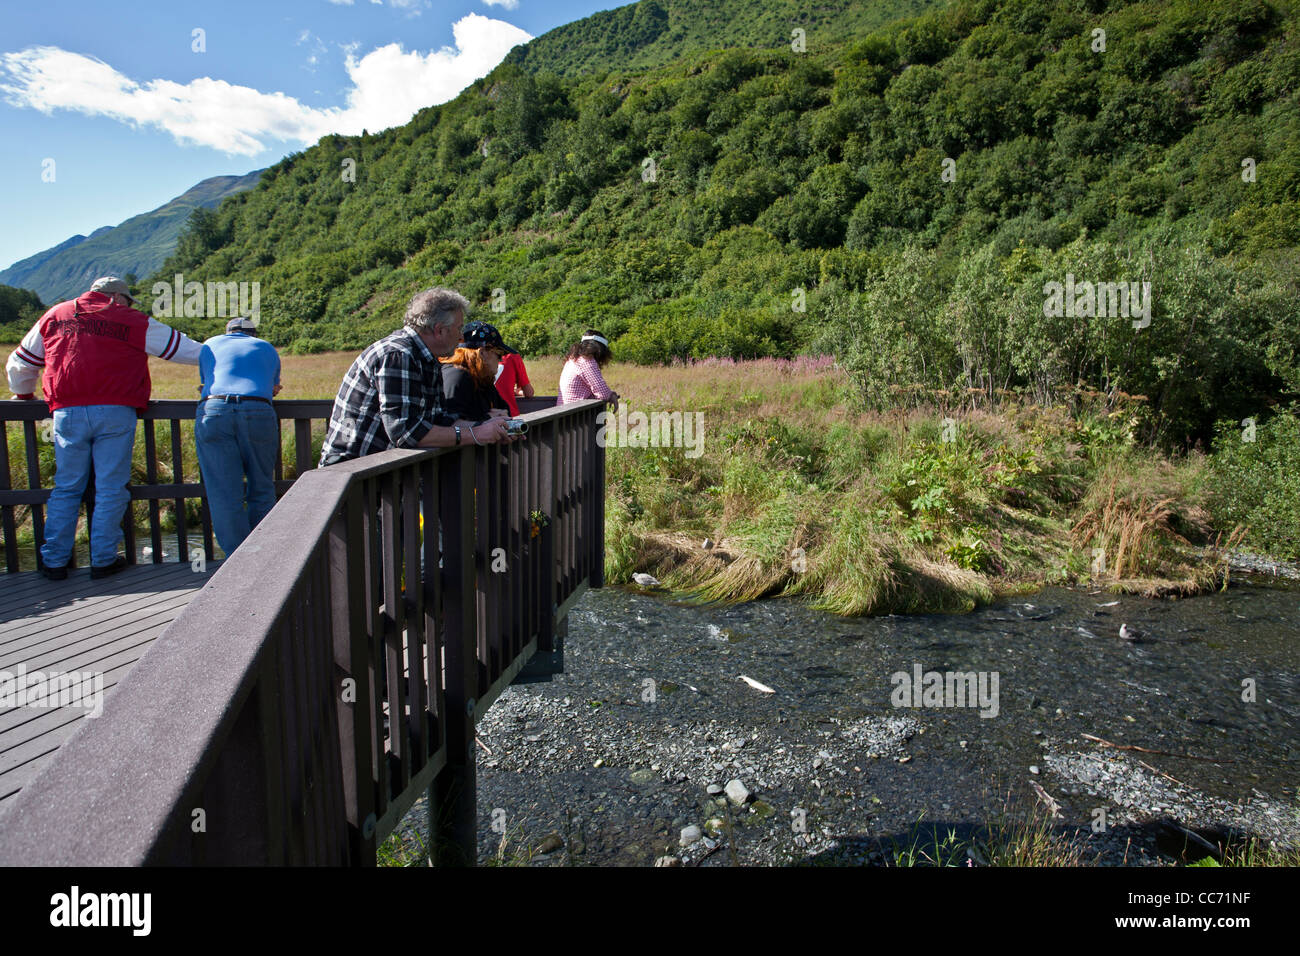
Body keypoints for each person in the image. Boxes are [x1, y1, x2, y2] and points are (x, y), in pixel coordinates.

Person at [5, 276, 203, 580]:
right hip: (116, 410)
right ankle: (103, 560)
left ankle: (54, 562)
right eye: (126, 299)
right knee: (111, 487)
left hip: (66, 412)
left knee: (67, 487)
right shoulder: (132, 319)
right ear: (117, 297)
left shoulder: (56, 314)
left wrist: (23, 394)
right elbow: (186, 350)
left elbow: (19, 363)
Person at [318, 287, 512, 466]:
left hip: (373, 473)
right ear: (439, 330)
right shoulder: (398, 355)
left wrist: (486, 425)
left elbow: (436, 421)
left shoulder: (424, 358)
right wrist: (476, 433)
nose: (461, 337)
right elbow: (406, 432)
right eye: (458, 328)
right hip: (348, 475)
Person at [195, 317, 283, 557]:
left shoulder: (210, 344)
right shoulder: (265, 347)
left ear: (228, 332)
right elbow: (274, 388)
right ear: (252, 333)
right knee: (262, 486)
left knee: (224, 492)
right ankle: (262, 553)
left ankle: (236, 557)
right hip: (258, 410)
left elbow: (205, 383)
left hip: (214, 411)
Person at [441, 321, 511, 423]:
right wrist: (487, 418)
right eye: (499, 354)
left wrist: (500, 415)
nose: (500, 360)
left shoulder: (482, 378)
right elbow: (448, 425)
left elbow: (505, 410)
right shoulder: (457, 376)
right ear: (482, 353)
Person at [557, 329, 619, 408]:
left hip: (564, 411)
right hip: (576, 413)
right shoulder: (587, 361)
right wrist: (612, 395)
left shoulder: (573, 358)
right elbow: (603, 393)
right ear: (599, 349)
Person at [494, 344, 534, 416]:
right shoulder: (512, 356)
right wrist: (513, 391)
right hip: (508, 415)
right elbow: (529, 392)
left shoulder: (475, 356)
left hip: (482, 419)